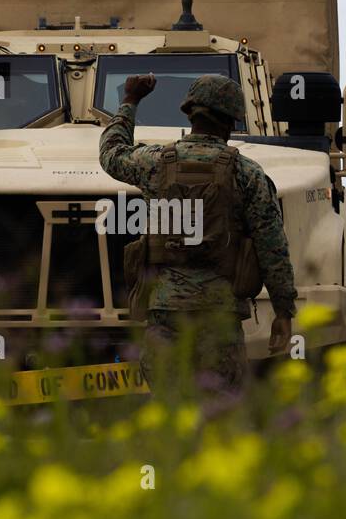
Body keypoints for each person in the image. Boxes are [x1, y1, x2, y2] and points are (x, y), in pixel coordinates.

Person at [99, 72, 297, 392]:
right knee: (220, 414)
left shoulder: (154, 163)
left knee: (169, 414)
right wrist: (283, 311)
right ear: (232, 121)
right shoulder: (248, 174)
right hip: (219, 314)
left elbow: (111, 153)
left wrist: (130, 101)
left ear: (190, 113)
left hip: (165, 311)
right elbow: (272, 246)